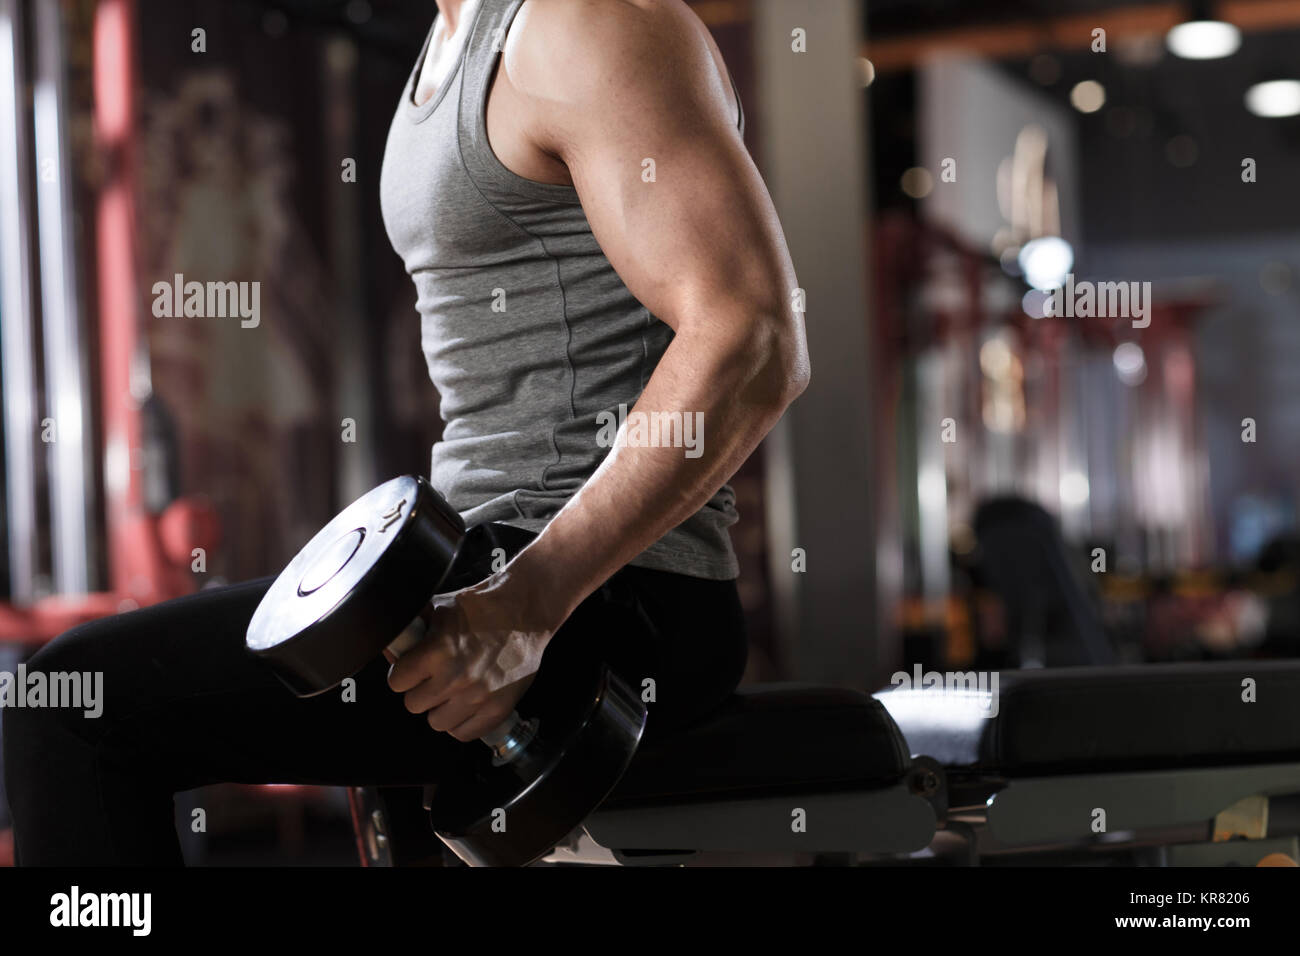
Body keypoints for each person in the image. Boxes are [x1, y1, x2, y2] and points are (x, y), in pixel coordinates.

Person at [3, 0, 808, 865]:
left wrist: (531, 602)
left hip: (606, 594)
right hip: (489, 566)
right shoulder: (451, 39)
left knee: (70, 705)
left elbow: (751, 336)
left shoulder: (582, 24)